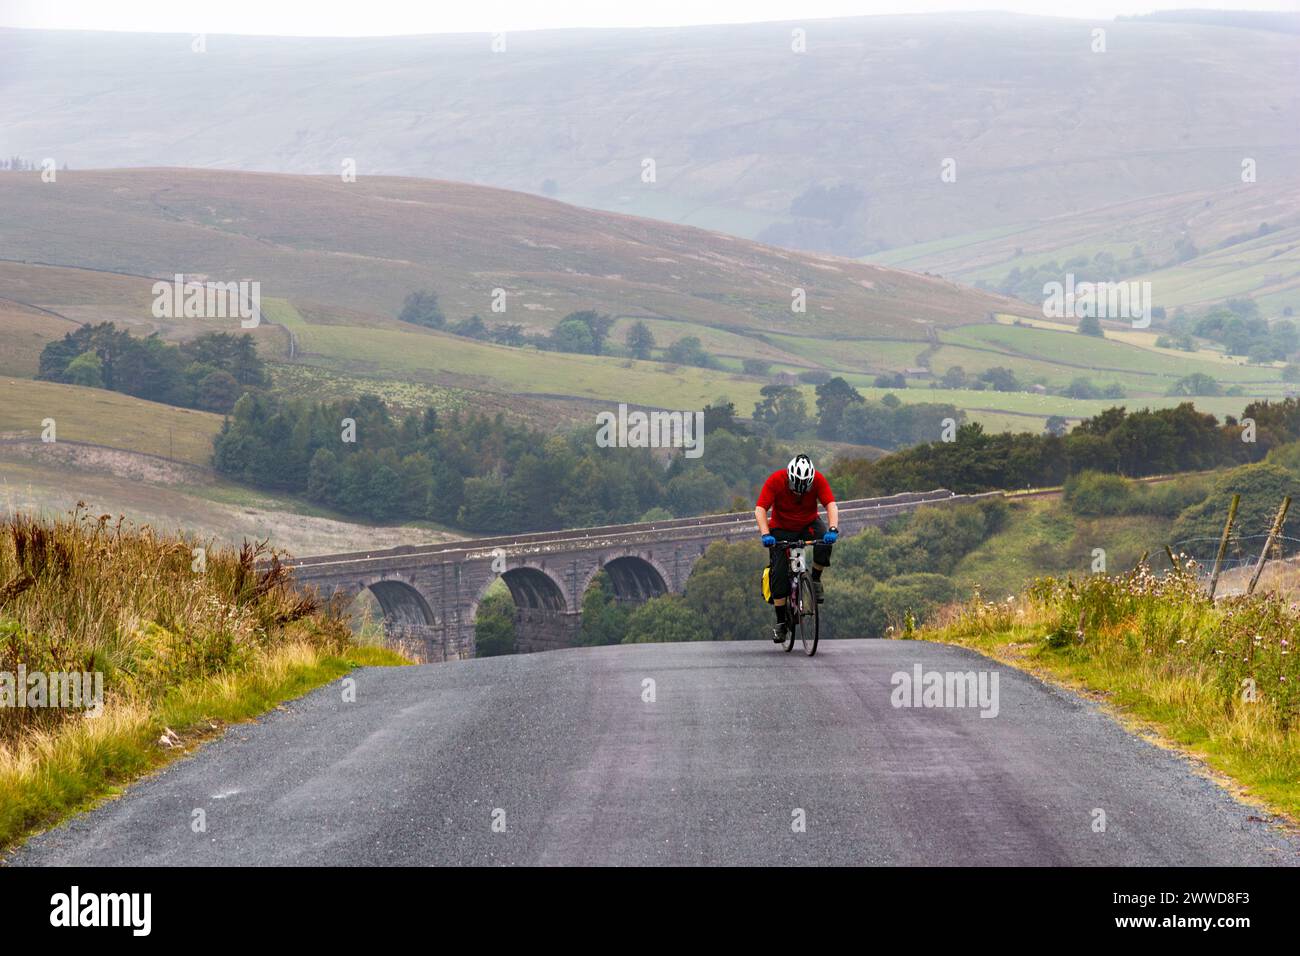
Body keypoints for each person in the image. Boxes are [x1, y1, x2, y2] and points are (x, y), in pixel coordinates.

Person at [755, 454, 838, 643]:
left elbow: (830, 504)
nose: (800, 493)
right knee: (778, 572)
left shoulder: (818, 480)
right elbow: (760, 509)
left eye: (805, 488)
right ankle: (781, 623)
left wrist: (833, 528)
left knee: (825, 542)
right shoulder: (776, 480)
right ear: (789, 478)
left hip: (807, 524)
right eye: (795, 488)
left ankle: (814, 580)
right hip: (781, 529)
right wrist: (765, 534)